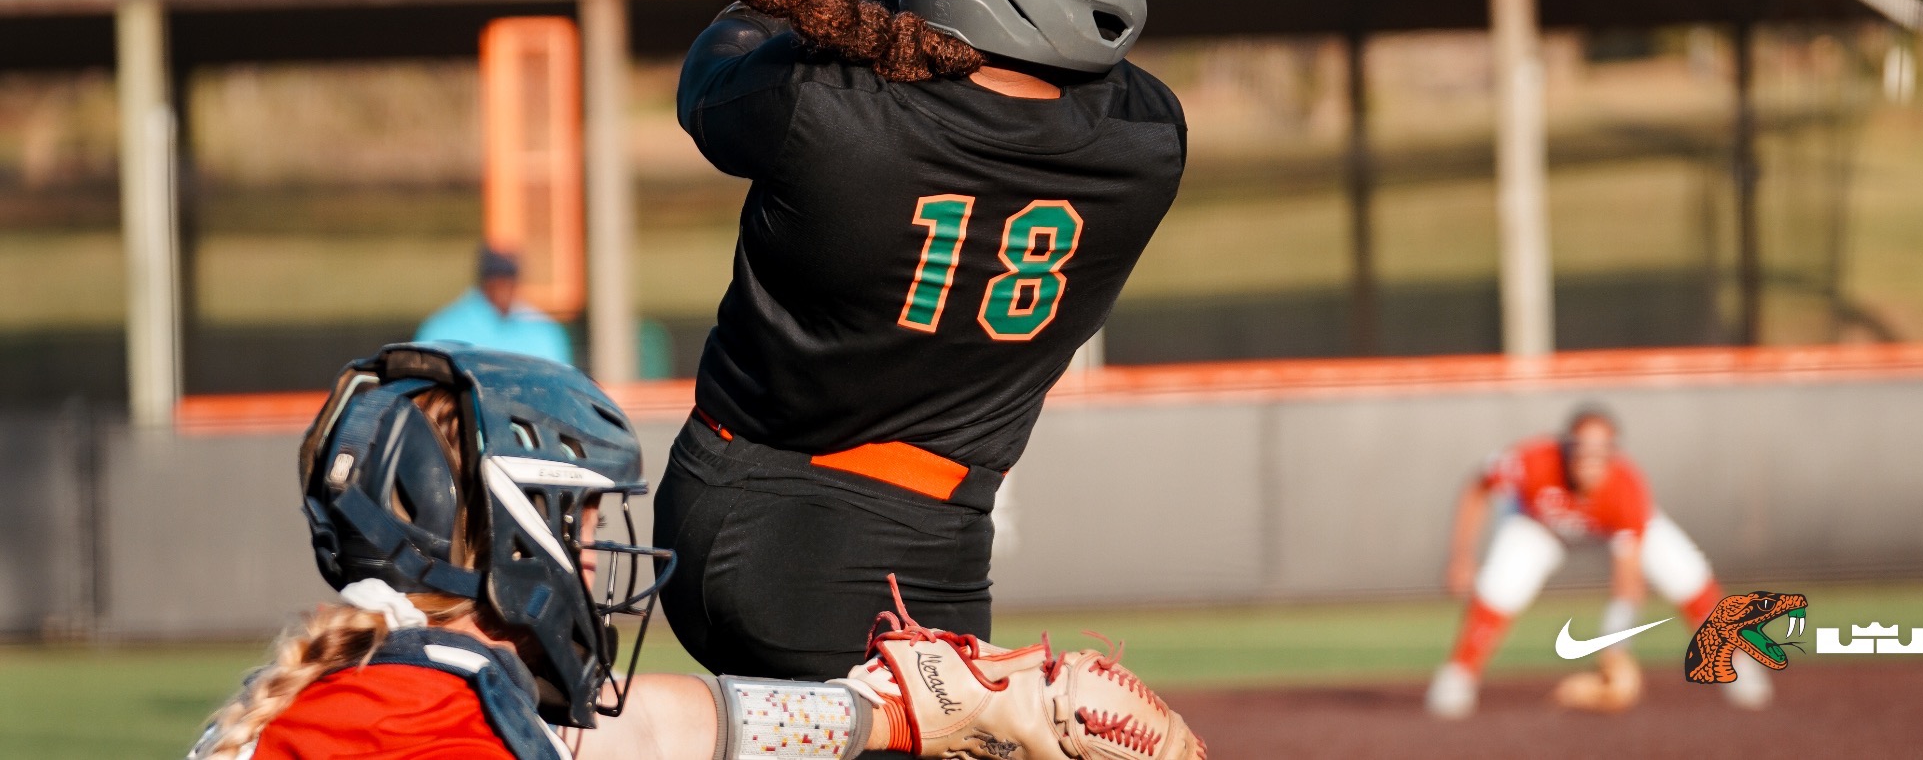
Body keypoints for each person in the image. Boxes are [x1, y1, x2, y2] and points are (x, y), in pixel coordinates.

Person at [654, 0, 1186, 680]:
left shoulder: (825, 114)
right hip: (876, 551)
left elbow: (718, 73)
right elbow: (952, 58)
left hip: (746, 507)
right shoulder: (1147, 143)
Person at [189, 341, 1202, 760]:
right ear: (509, 536)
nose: (593, 560)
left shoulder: (400, 688)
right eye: (578, 525)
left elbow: (662, 734)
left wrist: (889, 713)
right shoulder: (409, 725)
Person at [1425, 406, 1774, 718]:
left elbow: (1628, 577)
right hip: (1542, 524)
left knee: (1684, 571)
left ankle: (1736, 662)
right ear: (1567, 447)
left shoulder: (1626, 487)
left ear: (1613, 454)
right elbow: (1477, 487)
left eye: (1600, 452)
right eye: (1582, 450)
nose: (1590, 461)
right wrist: (1461, 555)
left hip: (1607, 528)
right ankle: (1459, 674)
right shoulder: (1533, 461)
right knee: (1502, 582)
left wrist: (1614, 647)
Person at [416, 245, 572, 365]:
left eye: (508, 279)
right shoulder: (443, 328)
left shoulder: (544, 331)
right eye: (495, 279)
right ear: (483, 281)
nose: (502, 287)